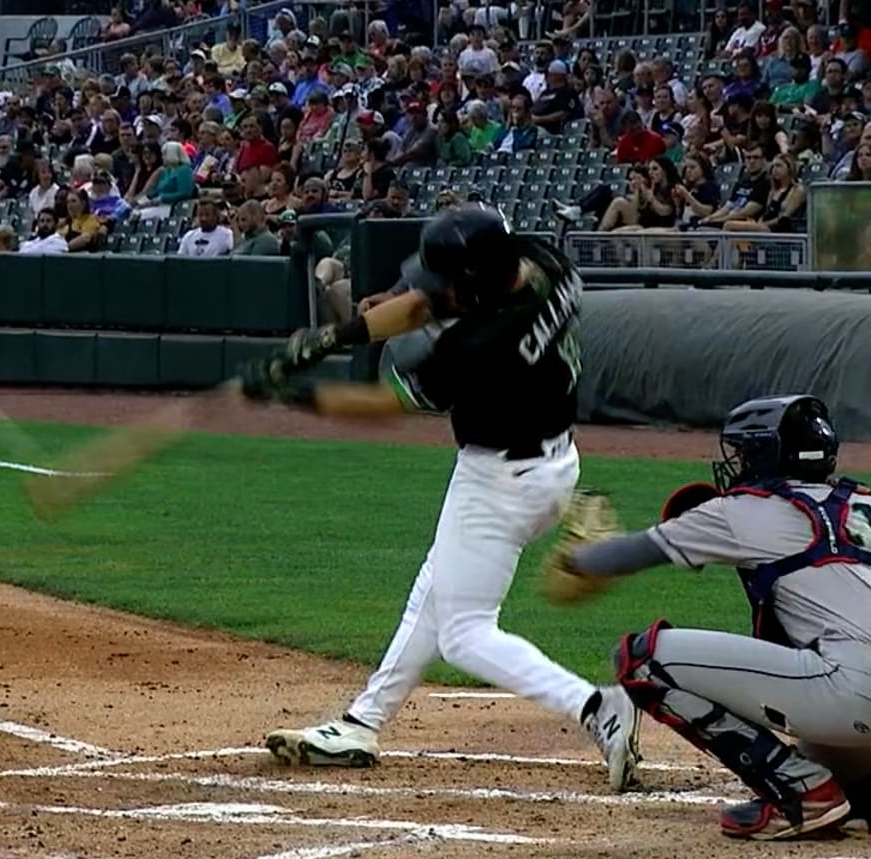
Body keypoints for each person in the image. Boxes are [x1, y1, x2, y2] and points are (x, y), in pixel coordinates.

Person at [238, 206, 642, 790]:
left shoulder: (480, 347)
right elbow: (429, 300)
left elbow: (385, 402)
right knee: (436, 590)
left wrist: (292, 392)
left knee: (465, 632)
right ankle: (362, 722)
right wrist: (332, 337)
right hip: (551, 465)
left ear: (473, 286)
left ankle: (595, 706)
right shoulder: (543, 263)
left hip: (500, 483)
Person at [545, 395, 871, 841]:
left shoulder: (741, 511)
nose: (733, 464)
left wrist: (578, 559)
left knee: (642, 659)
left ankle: (802, 797)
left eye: (742, 452)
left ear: (765, 454)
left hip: (854, 696)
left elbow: (626, 556)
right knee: (843, 782)